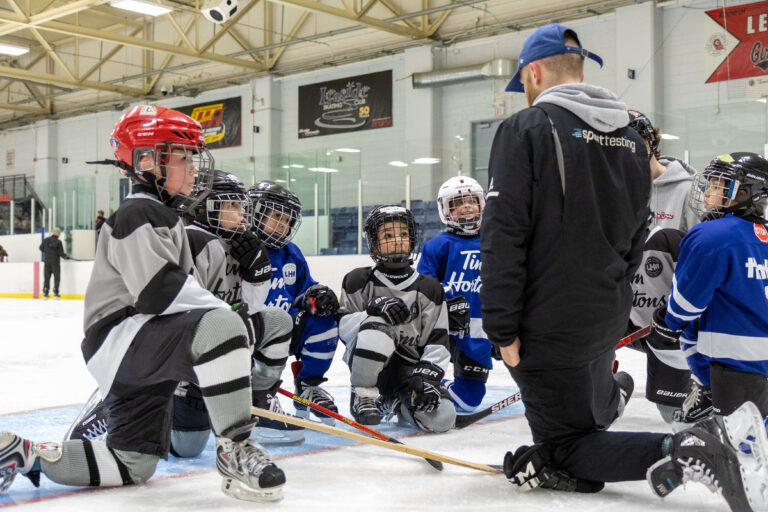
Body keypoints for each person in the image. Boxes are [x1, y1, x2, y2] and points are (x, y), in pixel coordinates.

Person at [481, 23, 761, 510]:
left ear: (534, 72)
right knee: (574, 432)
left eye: (522, 81)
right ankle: (606, 408)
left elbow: (504, 235)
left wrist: (501, 327)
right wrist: (613, 300)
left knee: (564, 448)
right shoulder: (631, 139)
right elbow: (637, 237)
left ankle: (688, 448)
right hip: (606, 315)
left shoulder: (526, 128)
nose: (524, 90)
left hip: (545, 321)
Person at [0, 105, 286, 501]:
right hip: (124, 339)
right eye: (183, 158)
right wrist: (228, 327)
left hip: (135, 349)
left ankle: (24, 453)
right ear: (147, 161)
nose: (194, 169)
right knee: (222, 324)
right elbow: (158, 292)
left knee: (131, 463)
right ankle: (235, 448)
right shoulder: (140, 211)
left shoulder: (161, 214)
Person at [65, 171, 302, 452]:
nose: (242, 215)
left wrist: (257, 276)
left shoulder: (241, 246)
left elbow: (251, 311)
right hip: (181, 351)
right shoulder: (193, 240)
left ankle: (257, 403)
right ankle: (115, 403)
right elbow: (177, 310)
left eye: (243, 207)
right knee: (184, 444)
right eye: (232, 206)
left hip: (210, 343)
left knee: (277, 321)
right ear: (203, 207)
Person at [653, 153, 768, 441]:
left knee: (740, 446)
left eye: (718, 185)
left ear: (745, 193)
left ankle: (707, 388)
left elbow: (686, 305)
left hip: (734, 359)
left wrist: (668, 321)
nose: (708, 192)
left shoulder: (711, 235)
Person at [338, 205, 455, 433]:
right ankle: (363, 395)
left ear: (412, 240)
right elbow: (342, 329)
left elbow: (438, 340)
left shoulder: (430, 288)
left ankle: (397, 403)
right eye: (388, 236)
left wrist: (426, 377)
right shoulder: (358, 280)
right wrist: (372, 311)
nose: (397, 241)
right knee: (378, 325)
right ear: (374, 243)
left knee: (442, 418)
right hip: (370, 370)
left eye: (403, 234)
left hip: (410, 372)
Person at [247, 181, 340, 424]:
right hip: (246, 332)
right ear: (254, 212)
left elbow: (303, 291)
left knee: (324, 320)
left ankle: (308, 385)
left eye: (288, 220)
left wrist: (316, 296)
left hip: (283, 332)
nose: (283, 225)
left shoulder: (291, 253)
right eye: (277, 216)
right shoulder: (241, 248)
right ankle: (248, 388)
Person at [417, 176, 490, 413]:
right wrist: (444, 307)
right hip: (442, 329)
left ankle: (442, 386)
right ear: (445, 210)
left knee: (469, 401)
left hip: (481, 334)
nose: (467, 206)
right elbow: (423, 289)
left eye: (472, 201)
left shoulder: (495, 242)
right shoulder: (437, 246)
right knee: (416, 375)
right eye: (458, 203)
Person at [627, 110, 699, 233]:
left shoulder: (687, 190)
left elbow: (701, 240)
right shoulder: (623, 190)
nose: (631, 151)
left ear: (651, 140)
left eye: (635, 143)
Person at [39, 227, 67, 299]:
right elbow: (61, 253)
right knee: (56, 277)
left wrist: (47, 252)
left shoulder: (45, 240)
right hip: (55, 263)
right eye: (59, 233)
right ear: (57, 233)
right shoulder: (58, 242)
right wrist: (66, 256)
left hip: (47, 262)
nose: (60, 234)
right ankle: (56, 293)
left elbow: (40, 248)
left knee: (47, 278)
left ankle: (45, 293)